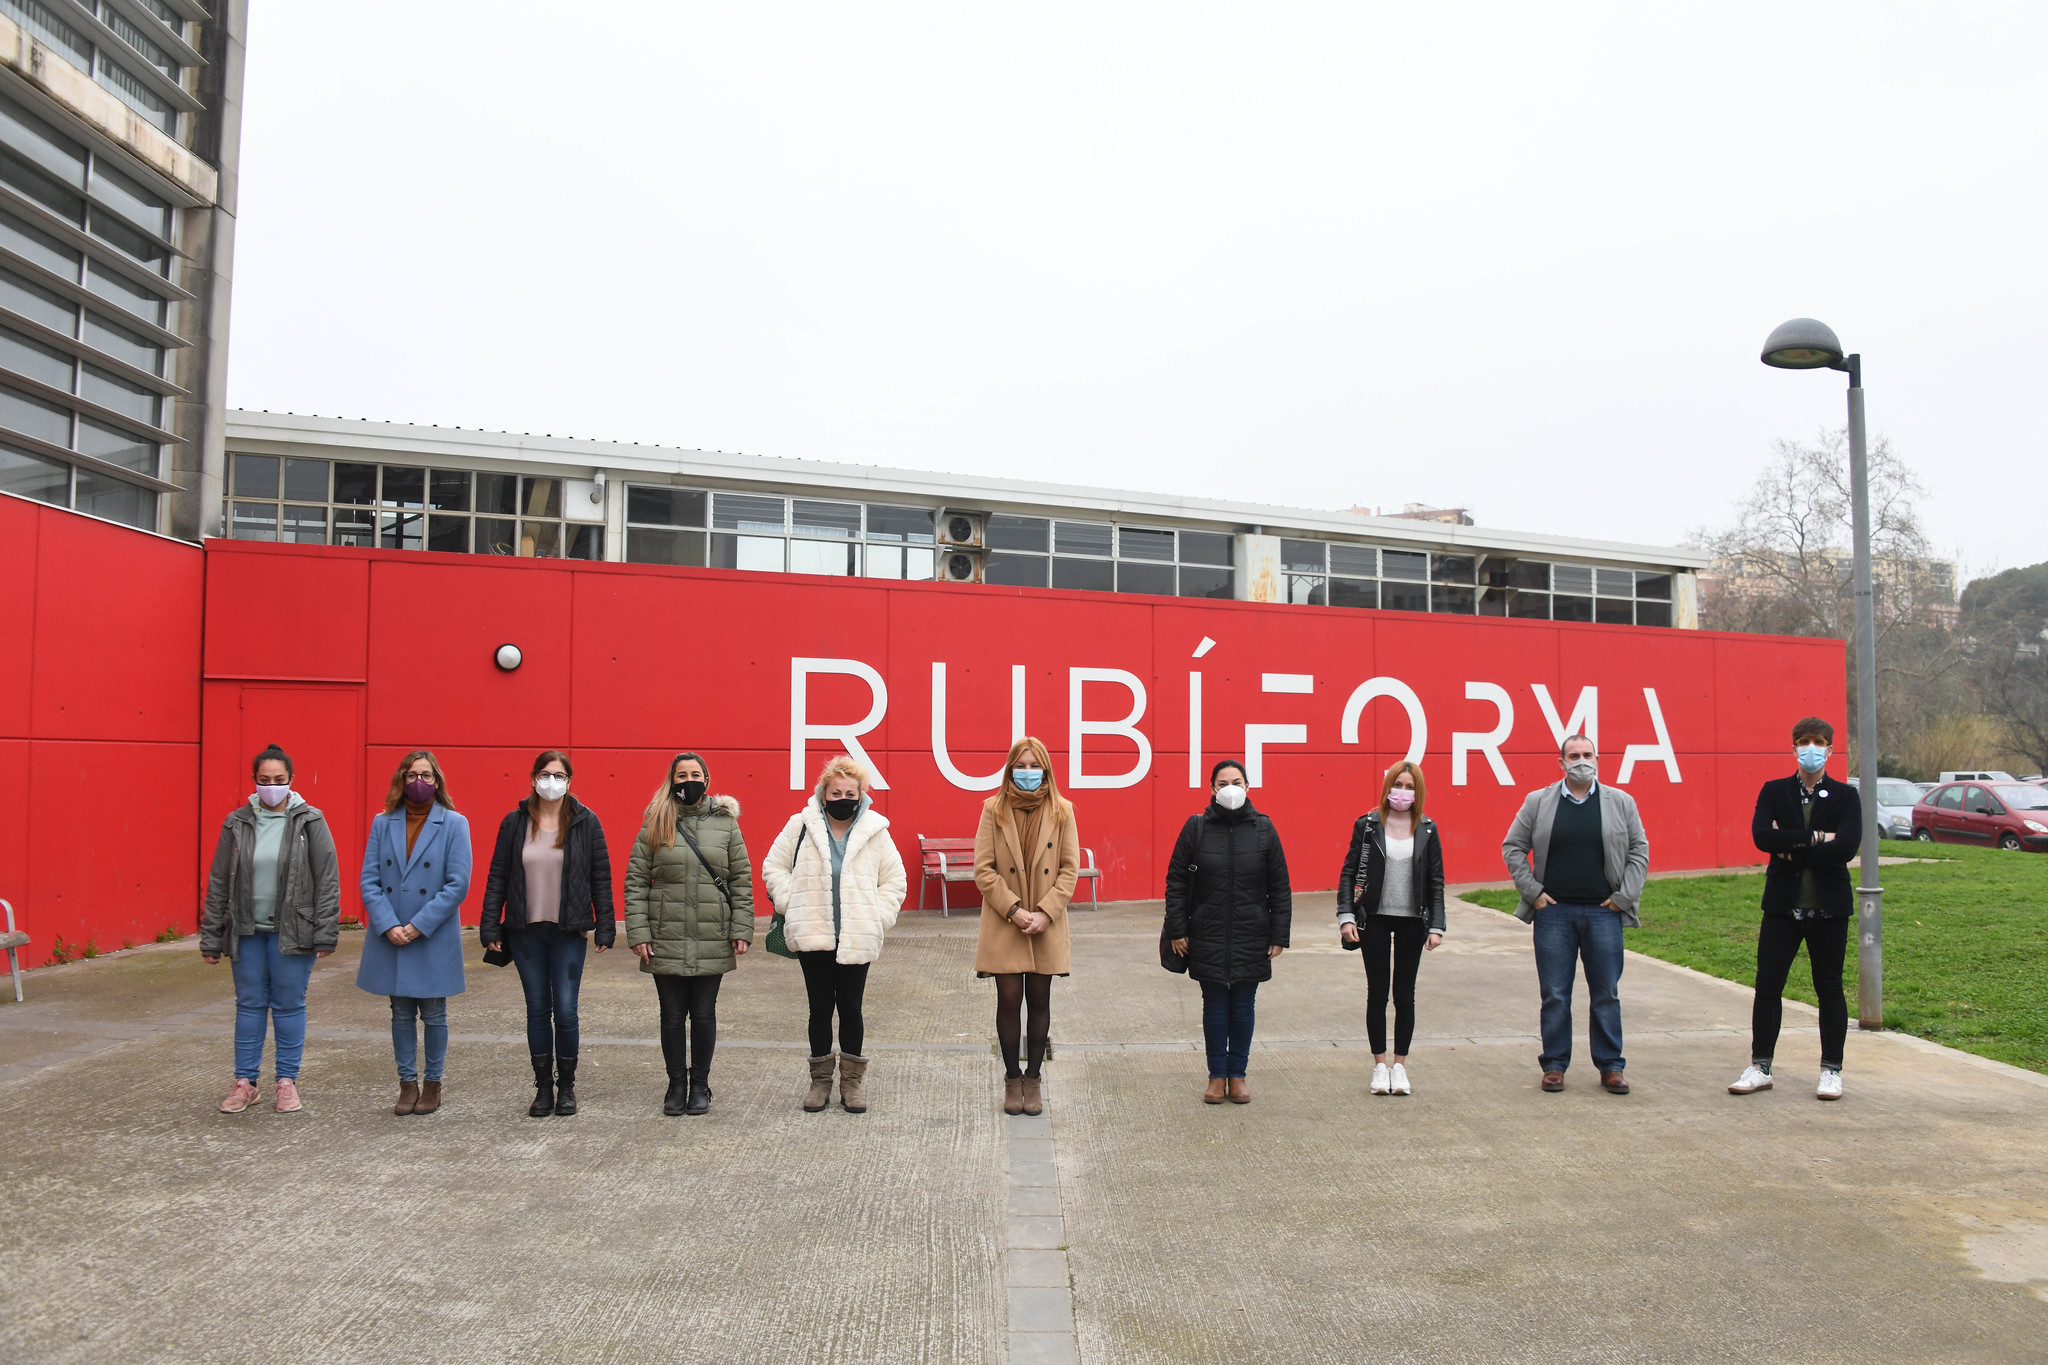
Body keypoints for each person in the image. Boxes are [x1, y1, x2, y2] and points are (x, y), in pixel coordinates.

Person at [1501, 733, 1650, 1095]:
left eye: (1587, 754)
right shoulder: (1538, 801)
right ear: (1561, 762)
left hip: (1604, 913)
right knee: (1554, 994)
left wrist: (1624, 897)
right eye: (1574, 755)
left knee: (1606, 993)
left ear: (1597, 759)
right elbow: (1513, 846)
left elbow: (1638, 851)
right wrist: (1532, 892)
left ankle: (1611, 1066)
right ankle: (1554, 1065)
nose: (1581, 761)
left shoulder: (1621, 802)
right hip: (1554, 914)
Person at [761, 756, 908, 1114]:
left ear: (861, 796)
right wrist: (791, 902)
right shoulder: (801, 825)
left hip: (858, 935)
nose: (843, 799)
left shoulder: (875, 830)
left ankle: (851, 1084)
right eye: (836, 792)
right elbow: (774, 866)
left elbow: (894, 880)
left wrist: (878, 917)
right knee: (820, 1009)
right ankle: (820, 1082)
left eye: (850, 793)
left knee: (852, 1009)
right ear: (823, 794)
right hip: (813, 934)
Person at [200, 744, 342, 1114]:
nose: (272, 787)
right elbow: (218, 881)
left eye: (279, 780)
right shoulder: (236, 823)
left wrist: (325, 932)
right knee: (249, 1005)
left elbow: (327, 880)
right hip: (247, 931)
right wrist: (211, 937)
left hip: (293, 931)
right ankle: (245, 1083)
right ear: (254, 781)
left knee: (288, 1005)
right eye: (264, 780)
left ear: (291, 780)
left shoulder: (310, 821)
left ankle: (286, 1081)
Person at [1730, 717, 1862, 1101]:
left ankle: (1831, 1070)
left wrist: (1790, 849)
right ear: (1793, 747)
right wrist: (1817, 837)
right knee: (1768, 986)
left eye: (1818, 742)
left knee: (1829, 988)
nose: (1810, 748)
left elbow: (1846, 847)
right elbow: (1762, 836)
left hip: (1829, 909)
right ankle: (1760, 1067)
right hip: (1782, 909)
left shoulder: (1846, 796)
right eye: (1803, 741)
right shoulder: (1774, 791)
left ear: (1830, 749)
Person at [479, 750, 616, 1118]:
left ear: (569, 781)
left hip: (568, 931)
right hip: (525, 931)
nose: (551, 781)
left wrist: (605, 925)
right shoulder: (514, 823)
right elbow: (498, 875)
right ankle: (542, 1088)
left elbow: (600, 876)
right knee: (537, 1010)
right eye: (544, 774)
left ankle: (566, 1087)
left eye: (558, 775)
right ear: (533, 779)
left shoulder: (586, 822)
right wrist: (490, 924)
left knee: (566, 1011)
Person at [625, 751, 753, 1116]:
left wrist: (741, 928)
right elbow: (636, 881)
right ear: (672, 781)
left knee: (703, 1014)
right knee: (671, 1015)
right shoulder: (656, 820)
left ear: (706, 780)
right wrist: (638, 932)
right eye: (681, 776)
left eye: (695, 775)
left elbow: (741, 880)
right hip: (665, 933)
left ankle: (700, 1085)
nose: (688, 781)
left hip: (712, 932)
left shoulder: (726, 823)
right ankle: (676, 1084)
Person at [1164, 759, 1293, 1104]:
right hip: (1206, 932)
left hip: (1252, 932)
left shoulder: (1264, 829)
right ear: (1212, 789)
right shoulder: (1196, 828)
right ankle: (1216, 1076)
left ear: (1248, 787)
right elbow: (1176, 881)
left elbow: (1279, 886)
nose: (1230, 789)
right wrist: (1177, 928)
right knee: (1215, 1008)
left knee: (1244, 1007)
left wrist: (1279, 935)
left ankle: (1238, 1075)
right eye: (1223, 784)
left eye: (1237, 782)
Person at [357, 750, 472, 1116]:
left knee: (434, 1013)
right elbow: (369, 880)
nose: (418, 781)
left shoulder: (454, 824)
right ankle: (407, 1084)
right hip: (392, 932)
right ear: (401, 780)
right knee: (401, 1013)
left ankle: (433, 1084)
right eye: (411, 775)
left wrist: (418, 925)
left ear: (437, 781)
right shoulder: (382, 823)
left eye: (425, 775)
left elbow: (457, 883)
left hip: (430, 932)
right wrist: (388, 923)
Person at [973, 737, 1080, 1117]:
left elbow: (1069, 869)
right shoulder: (993, 809)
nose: (1028, 772)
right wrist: (1015, 910)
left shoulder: (1063, 810)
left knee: (1039, 1000)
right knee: (1007, 1000)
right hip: (1006, 920)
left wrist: (1046, 912)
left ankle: (1033, 1079)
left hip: (1045, 923)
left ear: (1046, 770)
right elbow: (983, 869)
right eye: (1022, 765)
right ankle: (1011, 1078)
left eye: (1035, 766)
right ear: (1010, 769)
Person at [1337, 760, 1445, 1096]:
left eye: (1410, 786)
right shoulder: (1368, 825)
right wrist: (1346, 916)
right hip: (1375, 919)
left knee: (1405, 995)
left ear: (1418, 791)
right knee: (1378, 993)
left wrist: (1437, 925)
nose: (1403, 792)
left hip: (1413, 921)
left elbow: (1436, 881)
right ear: (1387, 788)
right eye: (1398, 785)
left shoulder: (1427, 828)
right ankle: (1380, 1066)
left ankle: (1400, 1067)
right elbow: (1349, 872)